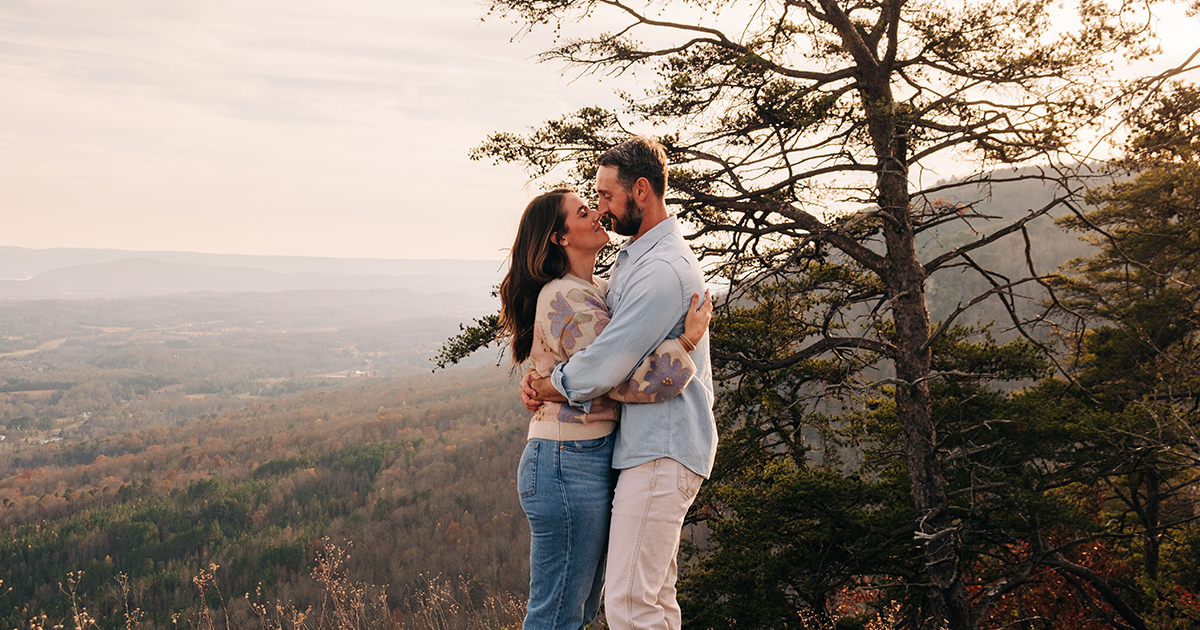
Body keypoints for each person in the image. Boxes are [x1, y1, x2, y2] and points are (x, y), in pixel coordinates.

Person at [521, 137, 717, 630]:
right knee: (647, 600)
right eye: (592, 202)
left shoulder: (659, 270)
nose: (601, 209)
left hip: (661, 445)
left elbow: (606, 366)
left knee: (630, 603)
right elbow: (588, 347)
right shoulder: (632, 260)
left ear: (641, 191)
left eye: (606, 196)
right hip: (629, 449)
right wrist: (544, 376)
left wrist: (552, 384)